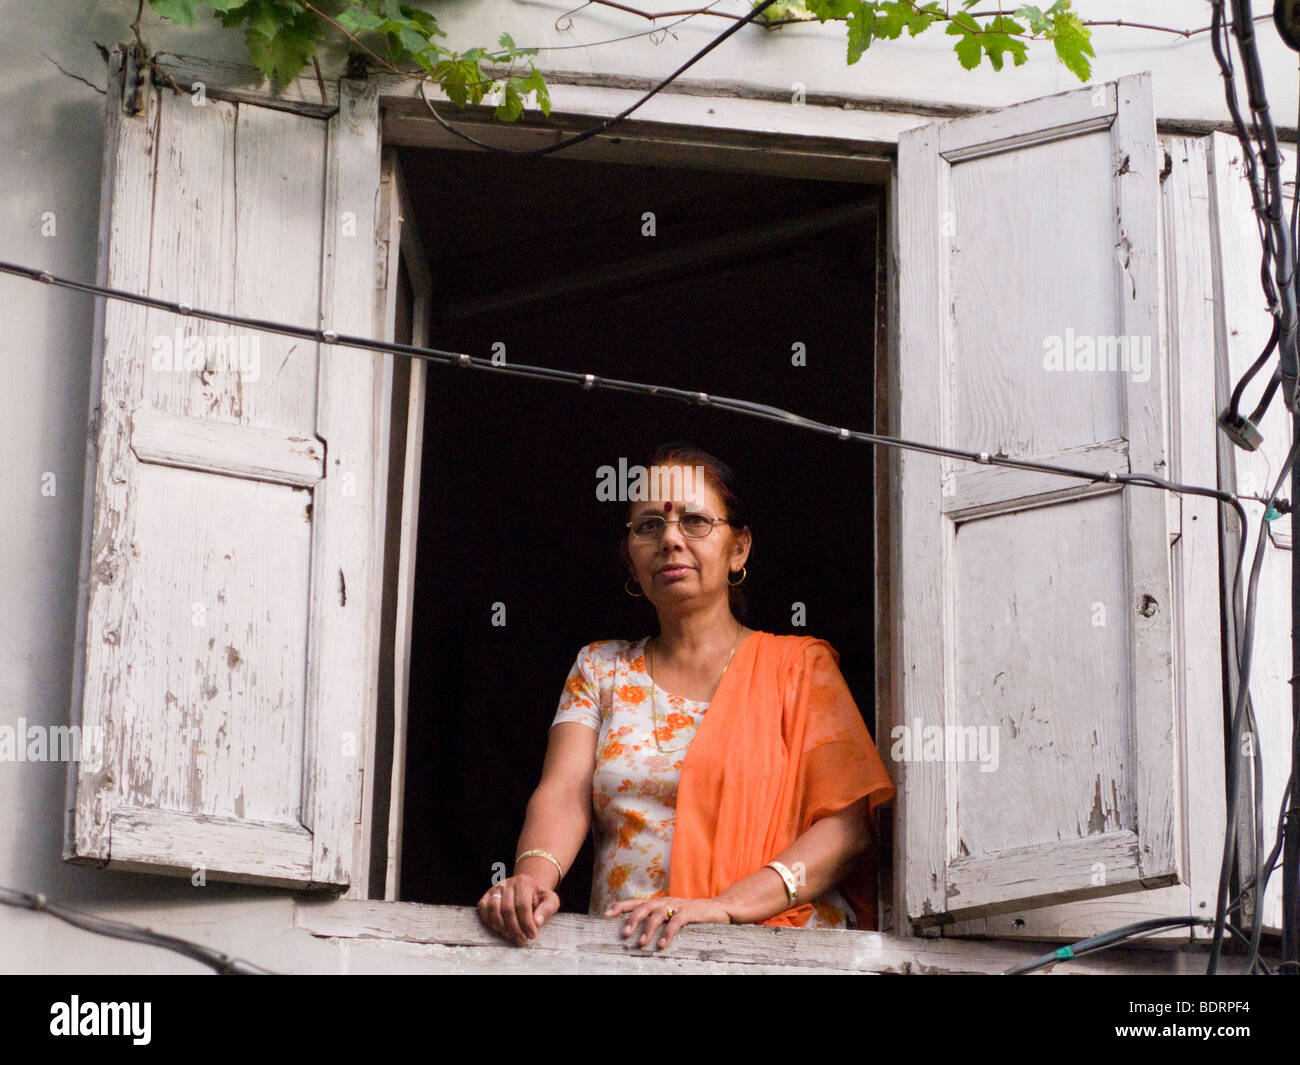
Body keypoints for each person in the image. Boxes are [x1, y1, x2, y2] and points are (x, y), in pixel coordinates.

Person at [476, 444, 895, 950]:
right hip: (625, 952)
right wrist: (532, 880)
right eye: (649, 525)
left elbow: (848, 830)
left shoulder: (799, 669)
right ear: (631, 557)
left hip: (774, 952)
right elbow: (564, 795)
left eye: (695, 521)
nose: (671, 538)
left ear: (738, 549)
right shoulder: (600, 667)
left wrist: (728, 906)